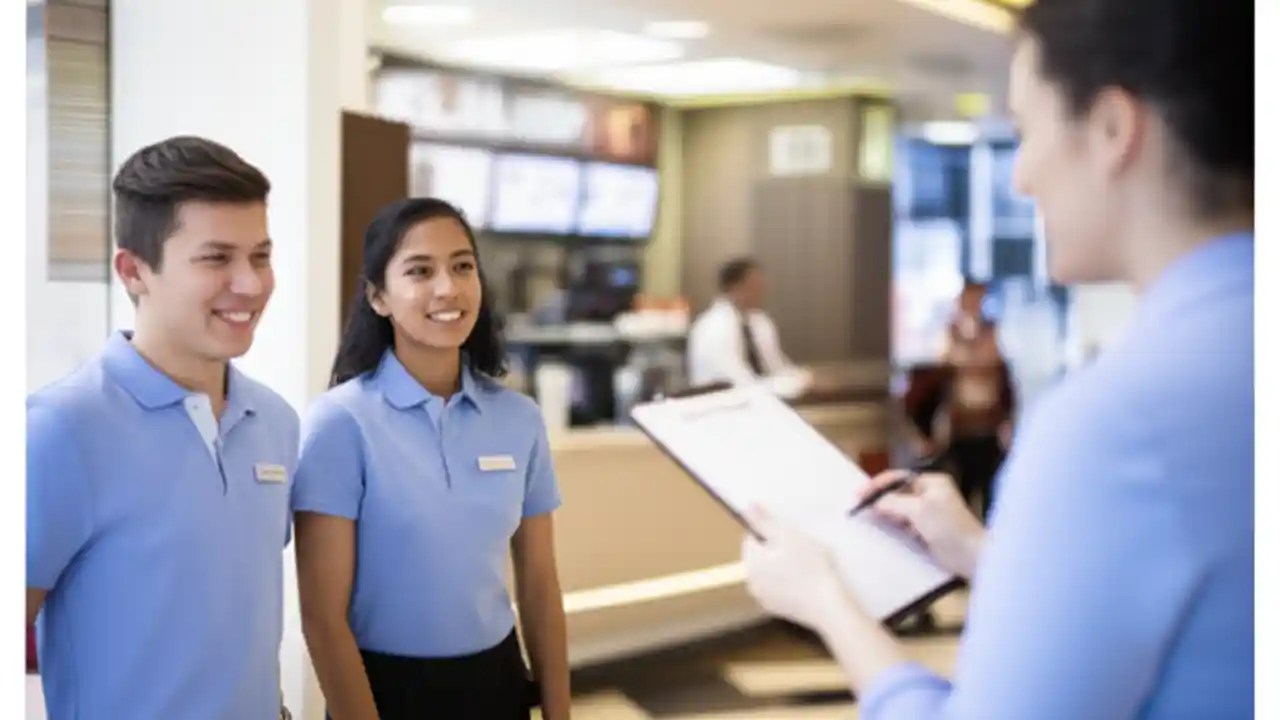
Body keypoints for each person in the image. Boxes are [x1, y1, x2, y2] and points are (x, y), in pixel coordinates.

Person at [742, 0, 1253, 717]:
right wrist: (992, 557)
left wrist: (826, 600)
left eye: (1026, 131)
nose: (1021, 178)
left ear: (1112, 129)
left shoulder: (1119, 423)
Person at [26, 136, 297, 719]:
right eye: (216, 258)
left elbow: (232, 623)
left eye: (261, 256)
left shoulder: (276, 423)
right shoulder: (60, 430)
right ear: (134, 270)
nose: (250, 284)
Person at [292, 198, 571, 719]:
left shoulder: (519, 419)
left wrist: (559, 712)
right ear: (379, 297)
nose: (447, 288)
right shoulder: (340, 424)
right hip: (385, 690)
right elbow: (322, 616)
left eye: (463, 266)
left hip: (498, 684)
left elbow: (539, 585)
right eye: (420, 271)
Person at [910, 282, 1015, 521]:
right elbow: (929, 387)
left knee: (991, 495)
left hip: (989, 430)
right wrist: (924, 432)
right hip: (958, 431)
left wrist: (1006, 421)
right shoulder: (949, 336)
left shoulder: (991, 333)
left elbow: (1004, 384)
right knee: (962, 493)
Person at [687, 257, 810, 396]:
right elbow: (738, 384)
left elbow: (777, 367)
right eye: (754, 287)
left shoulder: (759, 322)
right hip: (726, 405)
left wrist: (804, 379)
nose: (761, 293)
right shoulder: (712, 328)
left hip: (763, 398)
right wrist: (794, 384)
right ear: (734, 288)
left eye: (762, 287)